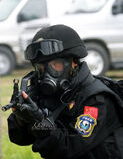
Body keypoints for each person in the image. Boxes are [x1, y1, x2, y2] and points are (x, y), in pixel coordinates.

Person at [7, 24, 122, 159]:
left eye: (55, 65)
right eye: (41, 67)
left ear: (74, 62)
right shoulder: (54, 92)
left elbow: (66, 150)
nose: (46, 74)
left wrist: (39, 121)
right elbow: (20, 138)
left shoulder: (97, 100)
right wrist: (22, 118)